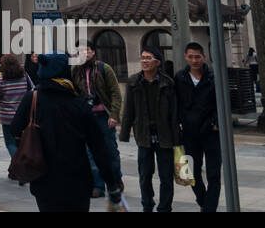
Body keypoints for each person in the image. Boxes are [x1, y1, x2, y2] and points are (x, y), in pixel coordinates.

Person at [9, 53, 120, 212]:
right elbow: (99, 148)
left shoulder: (32, 99)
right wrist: (112, 184)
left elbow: (15, 130)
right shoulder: (79, 103)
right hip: (77, 182)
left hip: (43, 180)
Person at [120, 46, 179, 212]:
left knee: (166, 176)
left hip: (165, 135)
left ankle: (165, 207)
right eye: (143, 58)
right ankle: (147, 205)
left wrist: (177, 139)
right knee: (145, 175)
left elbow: (174, 113)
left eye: (148, 58)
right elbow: (128, 111)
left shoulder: (168, 83)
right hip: (143, 135)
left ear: (157, 62)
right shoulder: (133, 82)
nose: (144, 61)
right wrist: (124, 133)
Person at [72, 40, 124, 198]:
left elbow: (115, 93)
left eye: (86, 50)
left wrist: (114, 115)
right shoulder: (74, 71)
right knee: (89, 152)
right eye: (79, 51)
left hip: (104, 116)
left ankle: (115, 180)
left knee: (110, 150)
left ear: (93, 52)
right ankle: (98, 185)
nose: (83, 53)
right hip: (86, 117)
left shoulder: (104, 68)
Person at [176, 42, 222, 212]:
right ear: (186, 57)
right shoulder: (179, 78)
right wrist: (178, 124)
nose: (194, 60)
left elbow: (222, 102)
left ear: (204, 57)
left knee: (213, 174)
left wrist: (216, 123)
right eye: (191, 57)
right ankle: (204, 202)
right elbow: (176, 104)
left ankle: (209, 209)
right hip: (188, 132)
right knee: (190, 173)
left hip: (210, 132)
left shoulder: (214, 77)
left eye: (197, 57)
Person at [0, 54, 33, 179]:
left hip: (7, 118)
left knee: (10, 143)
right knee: (21, 142)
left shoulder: (0, 80)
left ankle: (20, 169)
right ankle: (15, 170)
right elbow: (32, 89)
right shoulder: (25, 76)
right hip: (23, 116)